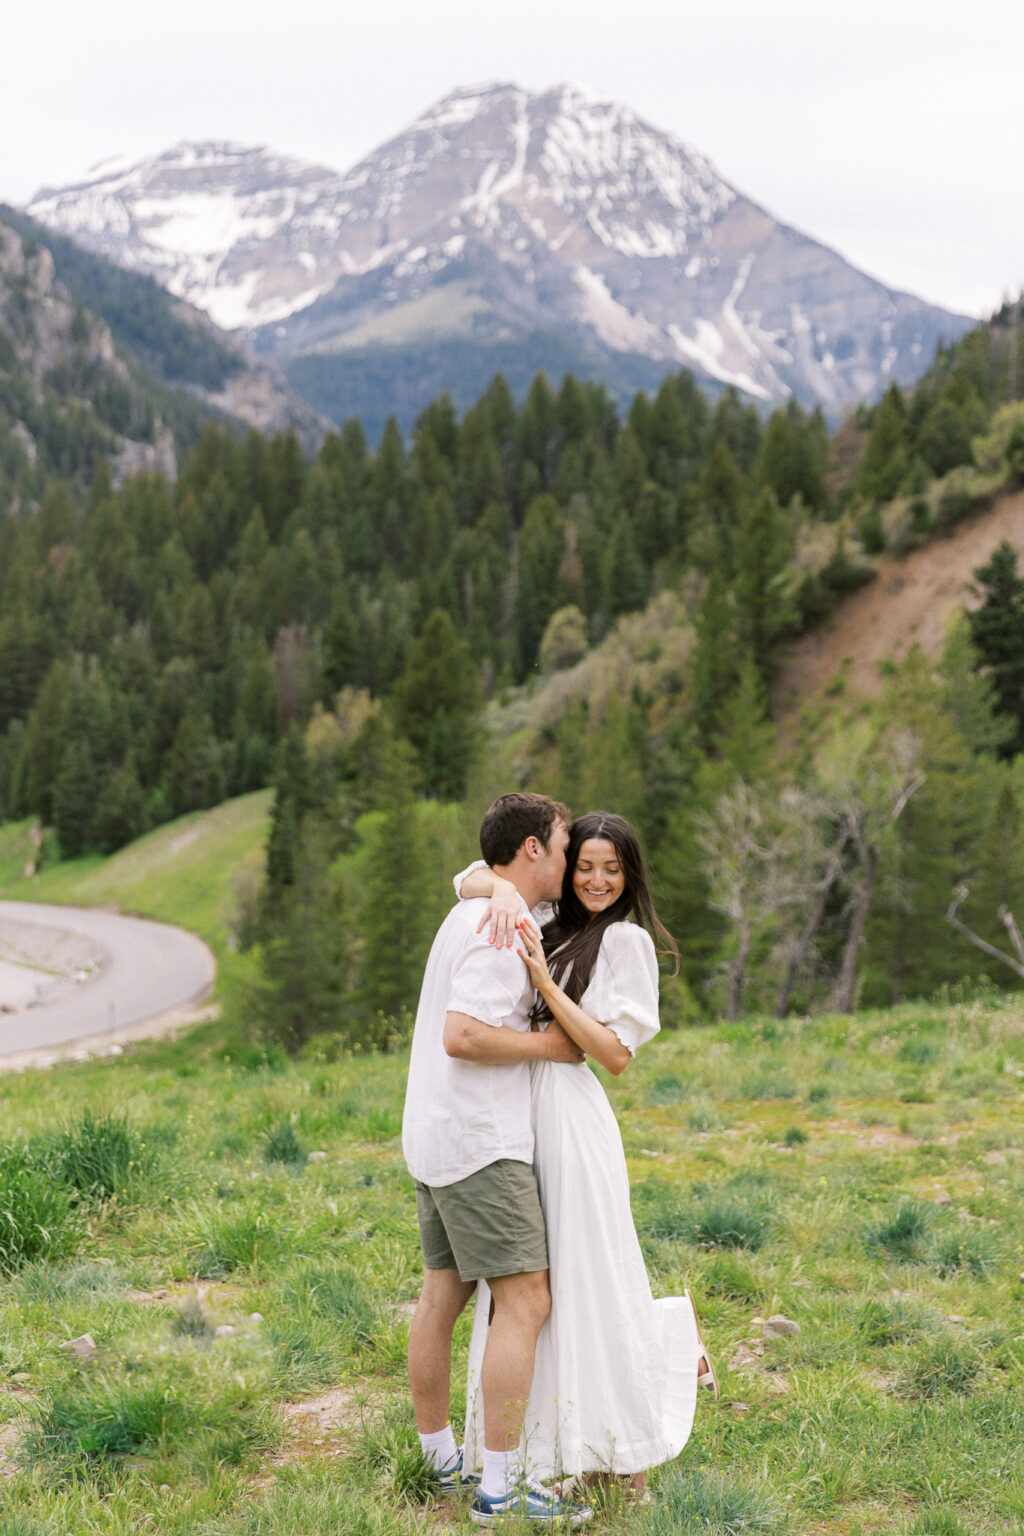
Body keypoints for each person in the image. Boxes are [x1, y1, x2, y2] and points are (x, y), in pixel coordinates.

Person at [455, 810, 716, 1502]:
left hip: (571, 1113)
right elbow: (466, 878)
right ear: (566, 870)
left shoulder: (625, 941)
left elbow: (614, 1054)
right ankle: (553, 1450)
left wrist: (545, 988)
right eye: (586, 865)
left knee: (588, 1276)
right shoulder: (549, 918)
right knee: (532, 1292)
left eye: (613, 868)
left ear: (629, 876)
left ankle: (623, 1459)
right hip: (519, 1112)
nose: (597, 880)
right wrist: (504, 892)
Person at [401, 791, 593, 1528]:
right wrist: (550, 1046)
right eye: (564, 840)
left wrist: (494, 882)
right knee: (527, 1301)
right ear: (535, 848)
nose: (573, 853)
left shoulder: (489, 903)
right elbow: (465, 1035)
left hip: (434, 1134)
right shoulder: (496, 926)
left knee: (442, 1295)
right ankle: (500, 1489)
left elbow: (467, 876)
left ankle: (438, 1456)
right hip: (480, 1143)